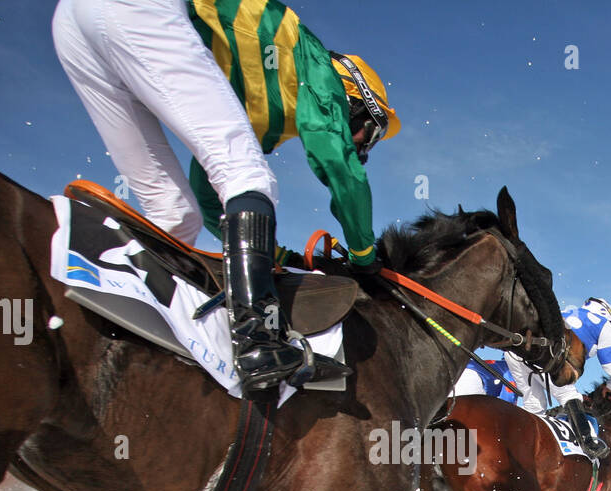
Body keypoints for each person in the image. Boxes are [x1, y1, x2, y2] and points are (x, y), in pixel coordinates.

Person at [52, 0, 399, 397]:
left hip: (73, 26)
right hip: (135, 9)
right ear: (358, 101)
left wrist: (276, 255)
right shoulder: (321, 69)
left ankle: (138, 340)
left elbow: (209, 197)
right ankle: (258, 341)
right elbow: (340, 167)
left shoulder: (261, 104)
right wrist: (364, 257)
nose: (365, 151)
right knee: (248, 174)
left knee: (175, 214)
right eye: (370, 136)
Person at [505, 297, 611, 460]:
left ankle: (519, 446)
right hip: (546, 355)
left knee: (534, 404)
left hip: (517, 352)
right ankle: (588, 443)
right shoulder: (603, 324)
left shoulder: (568, 312)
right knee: (569, 395)